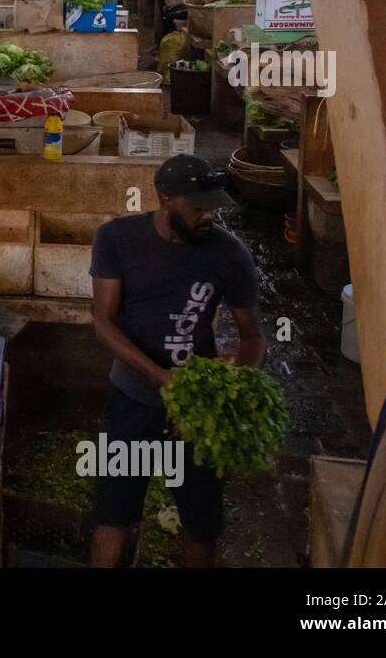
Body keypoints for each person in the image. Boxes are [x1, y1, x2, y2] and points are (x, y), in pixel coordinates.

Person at [87, 155, 267, 568]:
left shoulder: (229, 255)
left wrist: (231, 389)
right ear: (166, 198)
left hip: (197, 414)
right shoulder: (117, 238)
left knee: (201, 523)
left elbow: (253, 337)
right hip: (132, 400)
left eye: (213, 208)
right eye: (198, 207)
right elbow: (103, 322)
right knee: (113, 513)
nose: (209, 216)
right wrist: (159, 376)